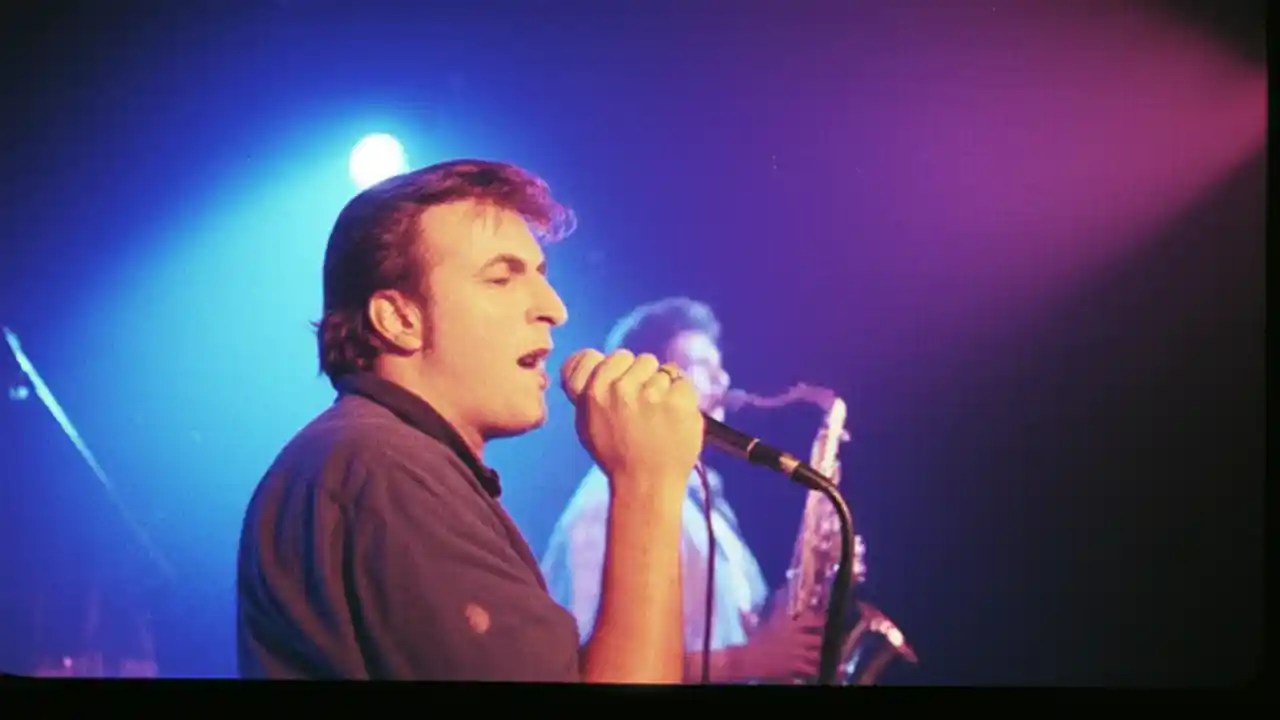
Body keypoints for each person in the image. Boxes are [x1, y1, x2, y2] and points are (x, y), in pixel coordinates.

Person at [235, 159, 704, 682]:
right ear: (399, 319)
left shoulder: (373, 457)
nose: (554, 308)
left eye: (542, 278)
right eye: (502, 278)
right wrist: (648, 483)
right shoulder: (386, 468)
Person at [540, 297, 826, 684]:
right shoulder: (605, 505)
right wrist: (751, 659)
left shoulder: (704, 499)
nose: (723, 380)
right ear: (649, 382)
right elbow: (586, 664)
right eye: (702, 367)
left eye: (720, 366)